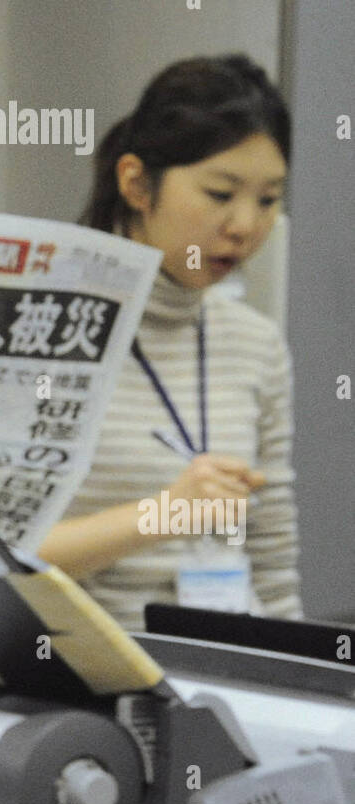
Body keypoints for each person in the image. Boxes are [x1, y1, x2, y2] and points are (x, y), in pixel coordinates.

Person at [39, 55, 302, 630]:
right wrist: (165, 515)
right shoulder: (44, 334)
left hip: (229, 683)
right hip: (81, 688)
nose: (244, 226)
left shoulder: (256, 344)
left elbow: (274, 565)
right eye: (219, 193)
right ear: (136, 183)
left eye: (267, 199)